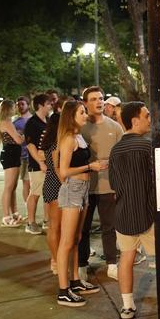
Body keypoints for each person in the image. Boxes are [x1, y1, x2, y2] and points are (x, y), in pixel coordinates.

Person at [109, 102, 156, 319]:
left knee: (126, 260)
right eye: (146, 116)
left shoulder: (115, 150)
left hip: (124, 214)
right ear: (135, 121)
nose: (150, 119)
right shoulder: (148, 147)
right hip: (149, 214)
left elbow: (114, 184)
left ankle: (127, 306)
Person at [56, 100, 105, 307]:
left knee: (77, 237)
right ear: (71, 116)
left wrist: (95, 166)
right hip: (73, 190)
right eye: (82, 112)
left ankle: (75, 281)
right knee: (66, 242)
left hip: (83, 190)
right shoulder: (68, 139)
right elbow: (63, 172)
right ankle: (63, 290)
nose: (86, 115)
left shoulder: (79, 137)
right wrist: (90, 166)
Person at [78, 86, 123, 281]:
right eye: (94, 99)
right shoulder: (79, 127)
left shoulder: (115, 127)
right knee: (83, 228)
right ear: (86, 103)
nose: (99, 102)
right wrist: (90, 166)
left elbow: (122, 157)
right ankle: (81, 264)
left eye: (101, 98)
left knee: (109, 227)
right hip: (85, 186)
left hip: (109, 185)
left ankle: (112, 264)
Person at [24, 94, 52, 234]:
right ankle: (30, 223)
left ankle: (47, 221)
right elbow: (30, 145)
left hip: (48, 164)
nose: (50, 105)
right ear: (40, 105)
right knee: (35, 193)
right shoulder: (32, 123)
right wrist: (41, 163)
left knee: (47, 194)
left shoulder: (47, 121)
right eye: (48, 103)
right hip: (37, 165)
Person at [0, 100, 24, 227]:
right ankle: (6, 217)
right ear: (8, 109)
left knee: (12, 187)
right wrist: (23, 136)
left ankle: (14, 213)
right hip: (10, 155)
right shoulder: (6, 122)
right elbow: (18, 140)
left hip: (12, 154)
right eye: (14, 107)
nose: (16, 108)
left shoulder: (7, 122)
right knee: (9, 187)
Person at [41, 111, 62, 274]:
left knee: (53, 226)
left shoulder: (48, 141)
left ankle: (55, 259)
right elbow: (57, 169)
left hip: (49, 183)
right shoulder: (56, 143)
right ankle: (56, 261)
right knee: (55, 227)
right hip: (57, 185)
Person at [13, 96, 32, 220]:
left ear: (28, 105)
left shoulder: (33, 120)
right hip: (23, 157)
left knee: (34, 185)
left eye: (22, 104)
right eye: (18, 104)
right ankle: (28, 211)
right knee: (26, 184)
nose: (20, 106)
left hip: (33, 156)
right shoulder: (15, 122)